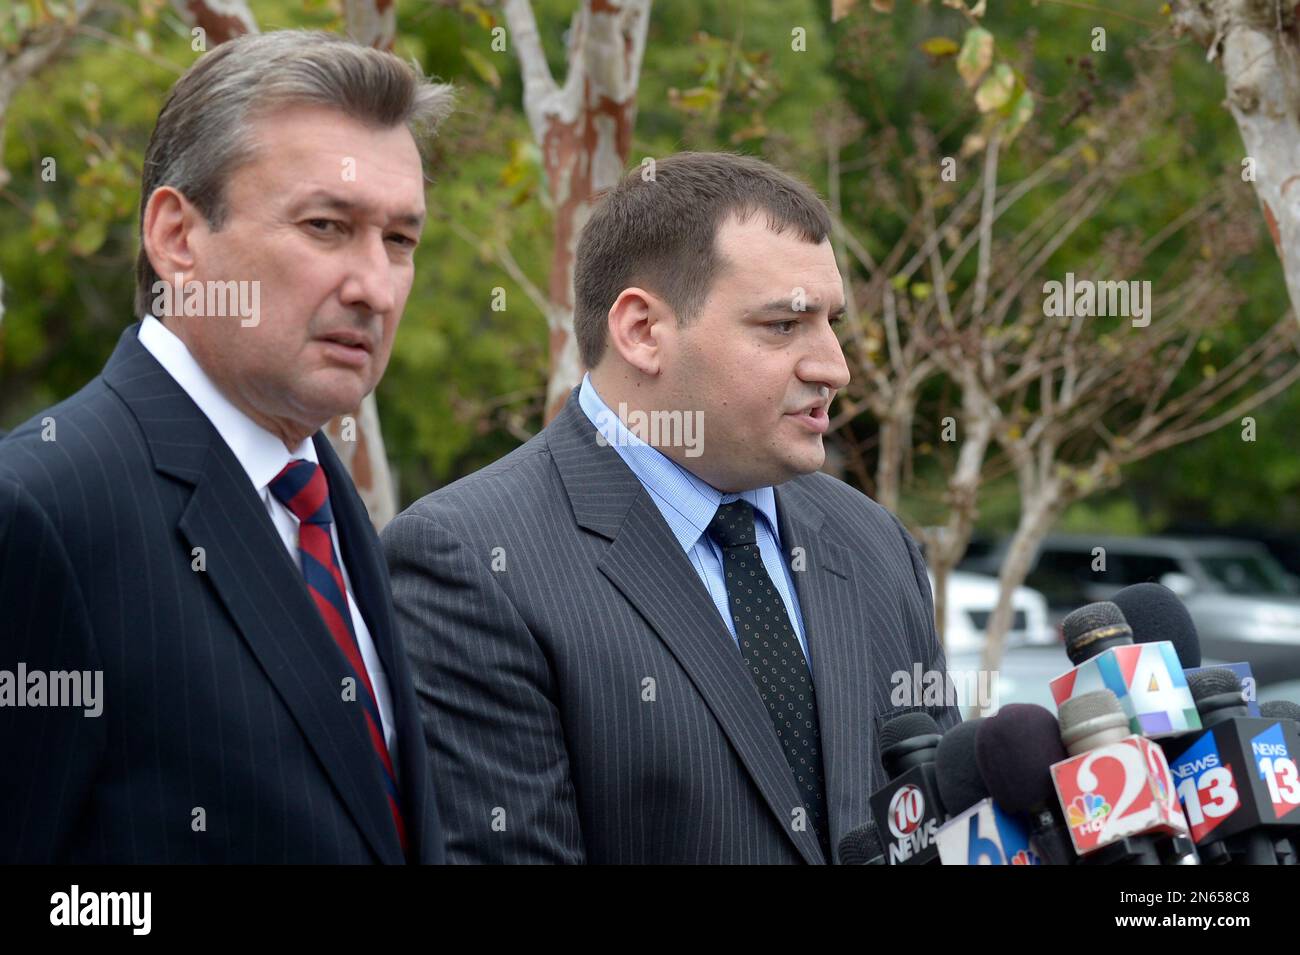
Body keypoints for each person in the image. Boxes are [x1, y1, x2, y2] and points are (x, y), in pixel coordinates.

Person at [383, 151, 960, 864]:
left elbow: (943, 826)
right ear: (643, 332)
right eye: (784, 326)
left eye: (832, 323)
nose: (834, 367)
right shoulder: (470, 561)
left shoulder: (875, 544)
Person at [0, 30, 453, 863]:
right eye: (326, 225)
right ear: (177, 236)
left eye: (399, 240)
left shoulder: (321, 495)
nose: (375, 286)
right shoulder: (43, 508)